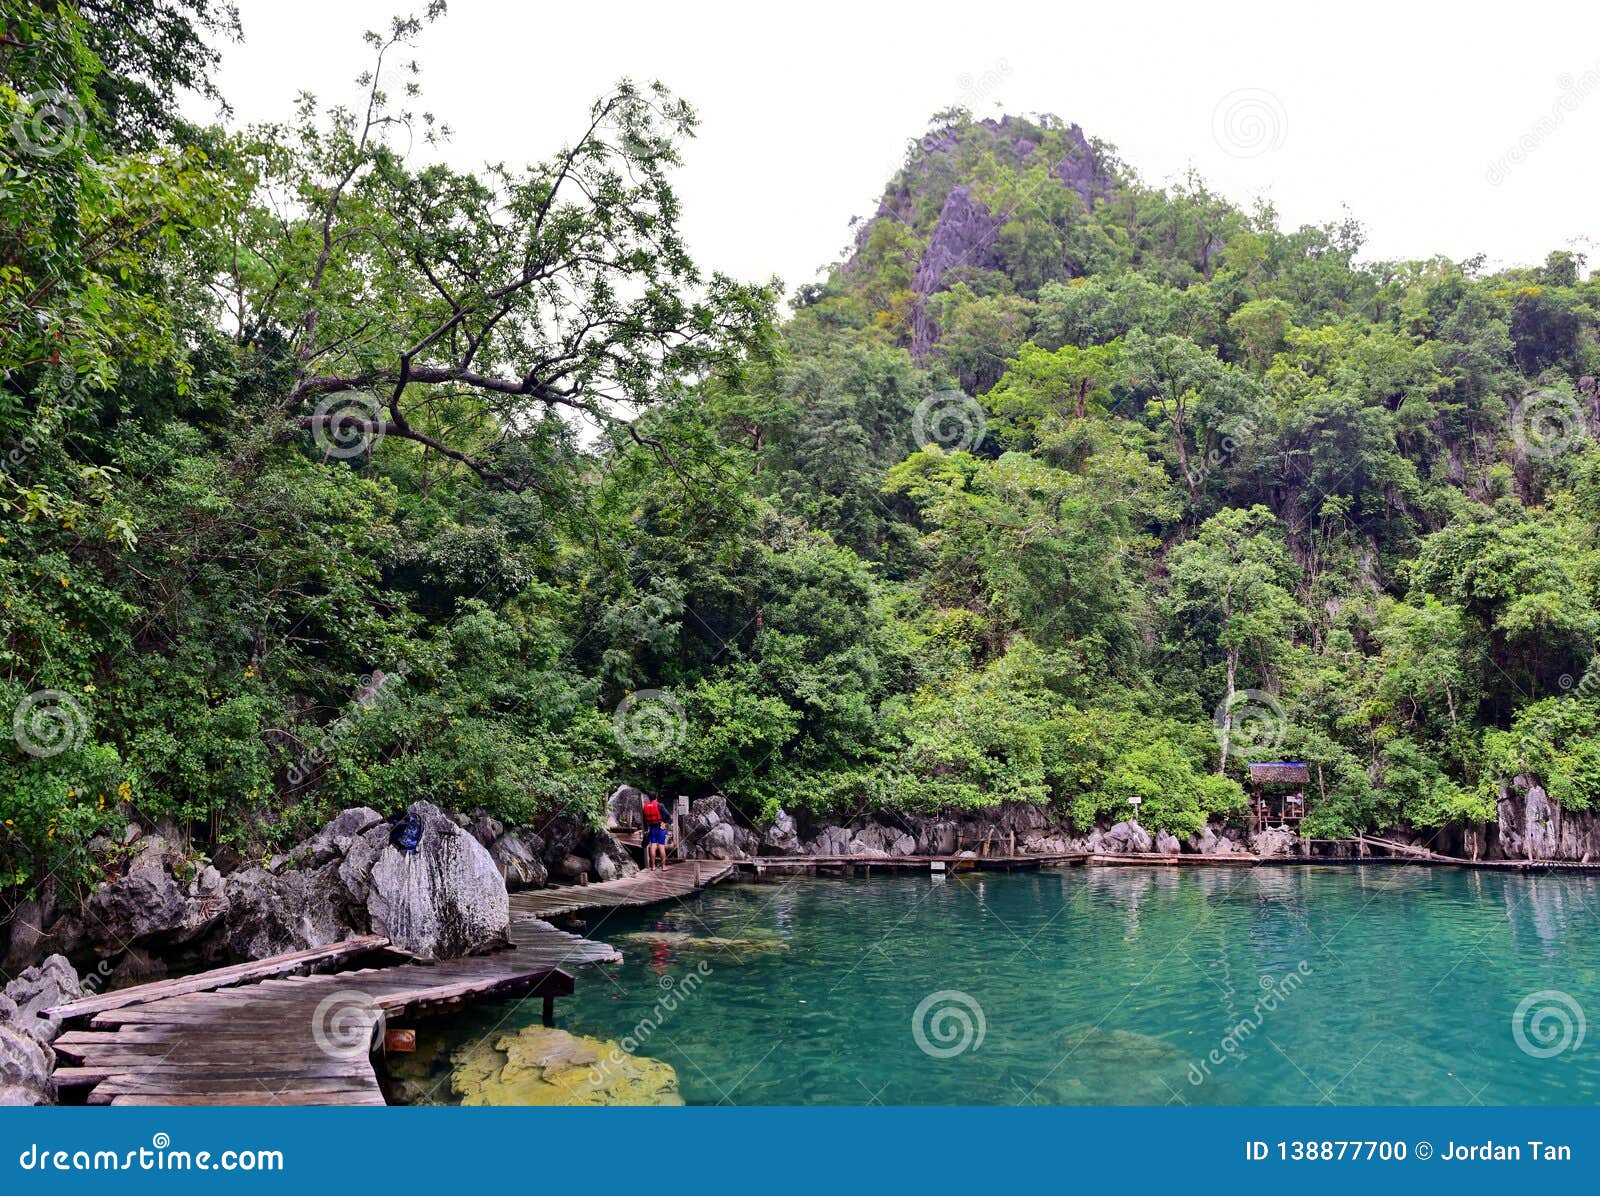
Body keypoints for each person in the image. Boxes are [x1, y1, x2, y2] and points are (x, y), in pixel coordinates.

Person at [642, 792, 668, 871]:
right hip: (660, 828)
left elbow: (644, 819)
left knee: (653, 846)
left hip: (652, 828)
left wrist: (646, 830)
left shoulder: (645, 806)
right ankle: (663, 866)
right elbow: (667, 815)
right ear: (656, 797)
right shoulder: (660, 805)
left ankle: (653, 866)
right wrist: (664, 822)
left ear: (649, 798)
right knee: (661, 847)